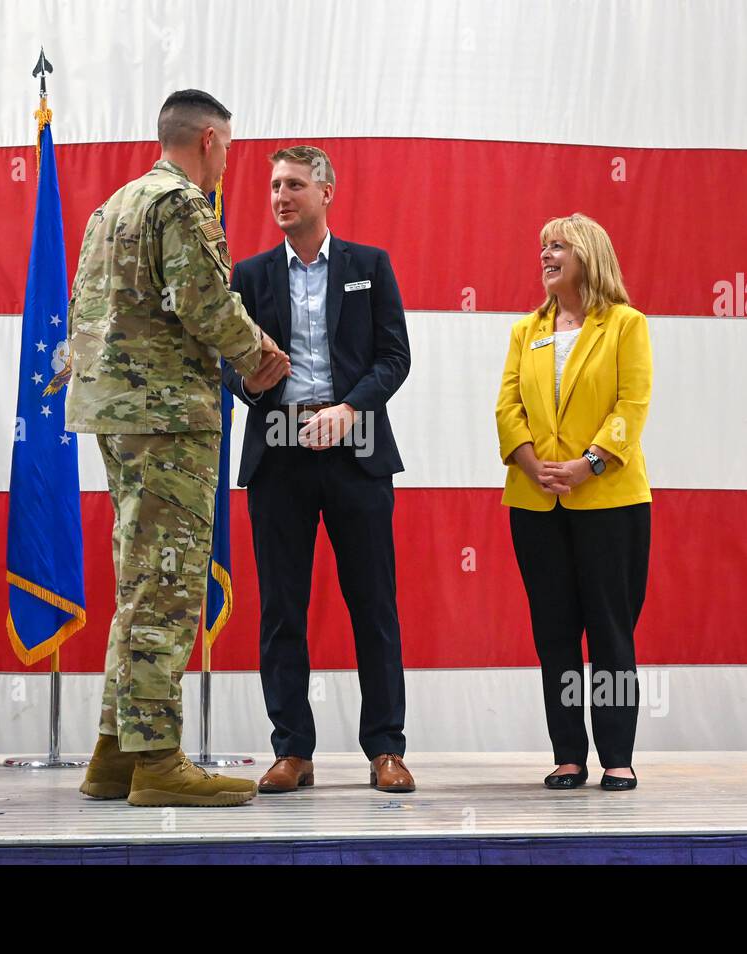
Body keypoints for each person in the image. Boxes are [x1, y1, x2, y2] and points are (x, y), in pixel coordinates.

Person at [66, 90, 288, 808]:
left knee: (138, 580)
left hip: (116, 411)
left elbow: (85, 309)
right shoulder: (183, 204)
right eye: (229, 149)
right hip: (167, 415)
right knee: (166, 585)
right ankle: (158, 759)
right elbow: (201, 301)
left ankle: (113, 754)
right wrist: (257, 352)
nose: (228, 162)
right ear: (212, 140)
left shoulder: (112, 207)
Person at [222, 145, 415, 794]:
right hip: (278, 460)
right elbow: (227, 363)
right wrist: (253, 383)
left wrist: (348, 409)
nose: (282, 195)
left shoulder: (370, 266)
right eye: (275, 185)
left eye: (296, 185)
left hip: (357, 456)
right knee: (281, 610)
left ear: (327, 192)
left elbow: (393, 358)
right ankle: (292, 750)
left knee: (374, 606)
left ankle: (386, 750)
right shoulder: (247, 275)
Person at [495, 213, 652, 791]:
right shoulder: (524, 331)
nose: (546, 255)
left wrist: (589, 464)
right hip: (536, 502)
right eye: (542, 247)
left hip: (610, 501)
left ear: (588, 255)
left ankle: (617, 756)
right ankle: (568, 754)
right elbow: (507, 407)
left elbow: (631, 408)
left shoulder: (626, 325)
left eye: (558, 246)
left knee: (611, 632)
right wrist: (531, 461)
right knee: (554, 632)